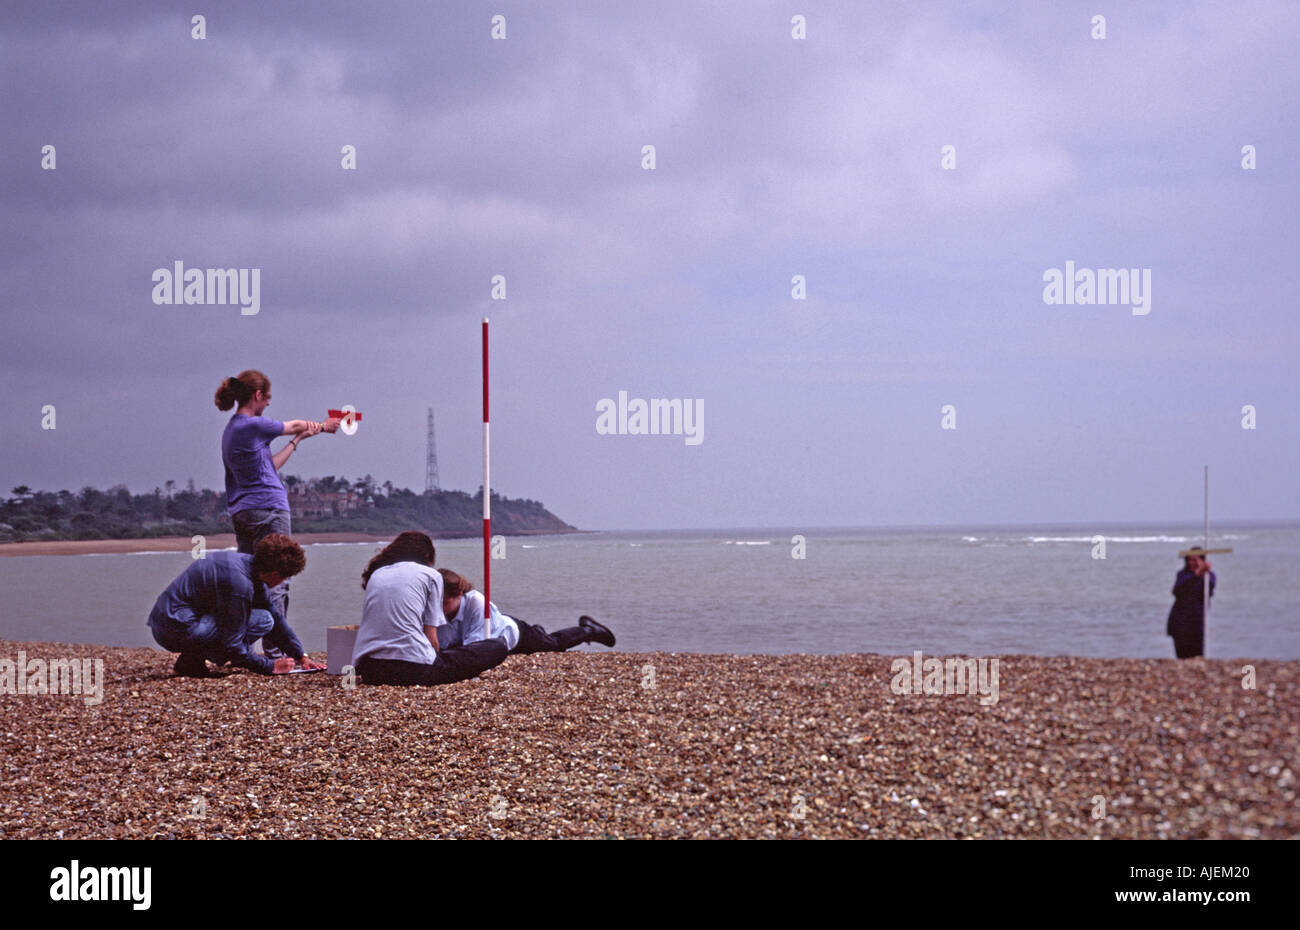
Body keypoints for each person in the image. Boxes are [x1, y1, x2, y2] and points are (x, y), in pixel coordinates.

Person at [214, 370, 338, 653]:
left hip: (244, 512)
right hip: (268, 509)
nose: (268, 404)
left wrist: (298, 441)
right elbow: (293, 424)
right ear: (257, 396)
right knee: (277, 578)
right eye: (267, 398)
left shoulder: (233, 430)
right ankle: (275, 652)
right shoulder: (251, 425)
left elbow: (270, 465)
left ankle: (238, 646)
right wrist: (322, 425)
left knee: (249, 580)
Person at [148, 533, 325, 677]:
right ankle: (198, 657)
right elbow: (232, 643)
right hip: (175, 629)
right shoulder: (239, 585)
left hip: (166, 623)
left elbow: (276, 615)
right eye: (285, 577)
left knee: (266, 617)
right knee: (263, 621)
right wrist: (269, 665)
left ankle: (192, 660)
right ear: (274, 573)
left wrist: (301, 656)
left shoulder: (247, 565)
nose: (284, 581)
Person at [351, 532, 509, 686]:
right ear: (427, 557)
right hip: (413, 670)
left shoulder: (377, 574)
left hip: (370, 670)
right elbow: (431, 637)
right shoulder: (431, 575)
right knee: (497, 646)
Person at [437, 568, 616, 654]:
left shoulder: (476, 603)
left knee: (553, 645)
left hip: (513, 634)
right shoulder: (434, 607)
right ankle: (538, 631)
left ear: (459, 594)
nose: (438, 608)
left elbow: (473, 648)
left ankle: (588, 630)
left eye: (444, 602)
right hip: (493, 639)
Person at [1167, 547, 1216, 659]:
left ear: (1202, 561)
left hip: (1197, 620)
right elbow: (1177, 591)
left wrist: (1203, 573)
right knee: (1182, 655)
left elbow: (1210, 588)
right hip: (1180, 621)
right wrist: (1197, 574)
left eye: (1195, 560)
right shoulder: (1182, 575)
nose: (1191, 563)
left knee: (1197, 654)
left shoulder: (1209, 576)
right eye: (1189, 560)